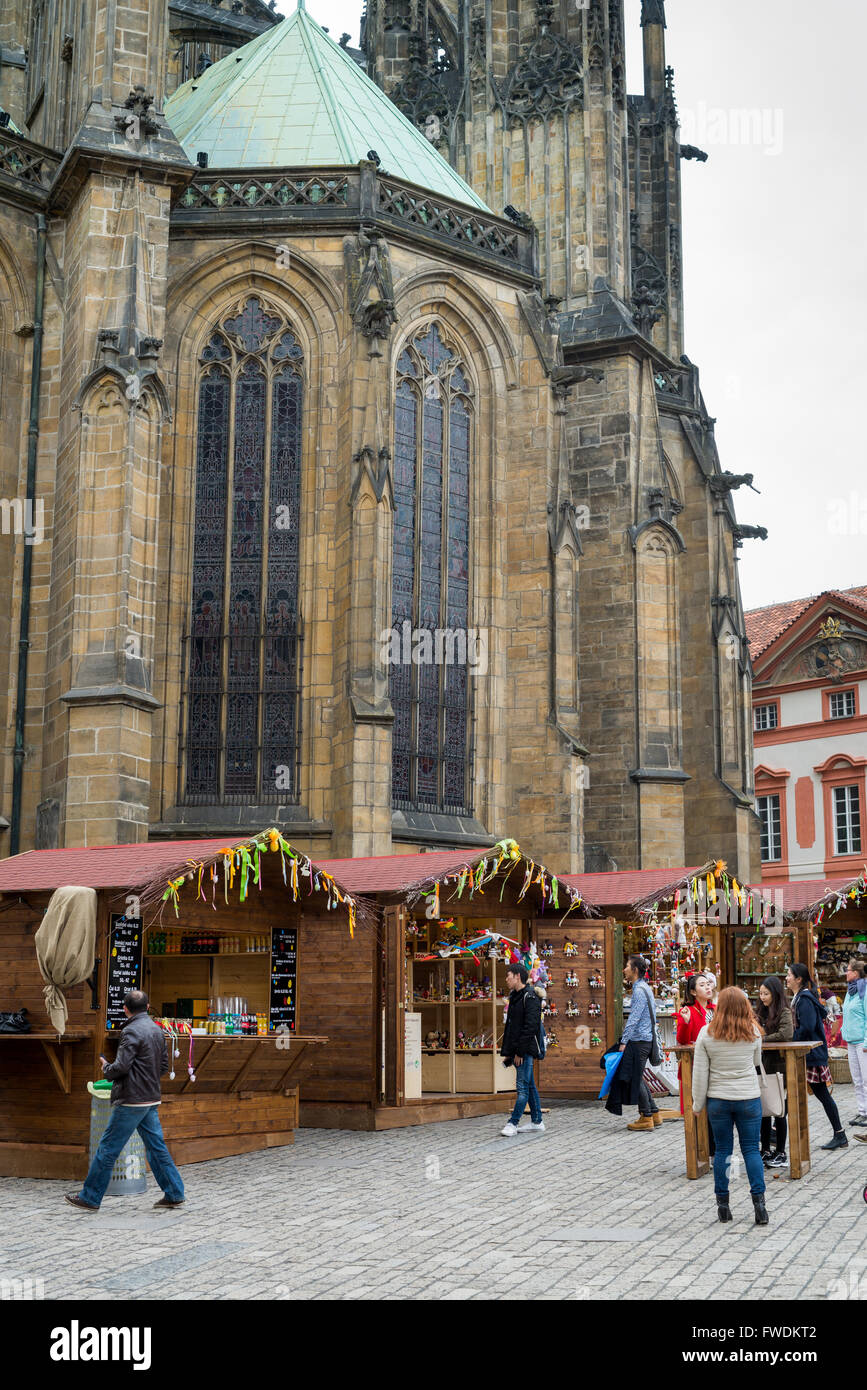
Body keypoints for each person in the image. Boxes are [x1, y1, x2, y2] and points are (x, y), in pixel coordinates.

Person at [66, 989, 186, 1211]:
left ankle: (90, 1198)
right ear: (148, 1008)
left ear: (125, 1009)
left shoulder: (130, 1032)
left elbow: (121, 1067)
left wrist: (106, 1068)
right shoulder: (157, 1031)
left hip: (131, 1100)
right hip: (150, 1098)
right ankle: (174, 1192)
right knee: (156, 1148)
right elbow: (162, 1067)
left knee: (107, 1149)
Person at [692, 986, 768, 1226]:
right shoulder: (754, 1031)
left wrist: (697, 1103)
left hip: (719, 1099)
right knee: (751, 1150)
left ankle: (723, 1206)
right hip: (748, 1097)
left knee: (723, 1151)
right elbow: (756, 1061)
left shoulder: (706, 1033)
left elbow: (700, 1073)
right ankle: (760, 1204)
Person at [786, 962, 847, 1151]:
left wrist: (792, 1040)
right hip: (808, 1053)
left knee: (821, 1095)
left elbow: (807, 1027)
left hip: (811, 1054)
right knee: (792, 1091)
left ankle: (840, 1134)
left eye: (789, 975)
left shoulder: (804, 999)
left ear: (798, 979)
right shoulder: (801, 997)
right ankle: (773, 1129)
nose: (786, 978)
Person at [609, 954, 660, 1132]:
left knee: (634, 1077)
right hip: (644, 1039)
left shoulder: (639, 990)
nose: (624, 969)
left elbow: (634, 1019)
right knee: (638, 1076)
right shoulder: (644, 988)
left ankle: (646, 1117)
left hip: (639, 1040)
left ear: (635, 970)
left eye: (627, 966)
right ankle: (653, 1112)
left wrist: (624, 1041)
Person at [499, 964, 544, 1136]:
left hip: (524, 1050)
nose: (506, 978)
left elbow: (530, 1027)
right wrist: (510, 1052)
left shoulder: (530, 997)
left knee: (522, 1088)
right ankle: (537, 1121)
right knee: (530, 1086)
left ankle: (513, 1122)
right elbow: (512, 1028)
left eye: (508, 975)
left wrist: (519, 1052)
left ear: (517, 976)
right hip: (517, 1049)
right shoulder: (515, 996)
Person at [754, 975, 793, 1169]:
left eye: (766, 993)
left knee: (779, 1110)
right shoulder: (760, 1011)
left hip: (778, 1067)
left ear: (775, 993)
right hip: (761, 1066)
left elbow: (786, 1034)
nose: (762, 997)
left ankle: (781, 1151)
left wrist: (764, 1039)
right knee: (763, 1111)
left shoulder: (784, 1011)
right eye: (760, 993)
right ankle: (765, 1150)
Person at [841, 959, 867, 1126]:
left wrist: (866, 1042)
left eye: (848, 970)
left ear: (856, 973)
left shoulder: (864, 991)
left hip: (862, 1043)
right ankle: (862, 1111)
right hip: (851, 1041)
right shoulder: (850, 991)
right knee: (856, 1080)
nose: (846, 972)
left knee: (866, 1080)